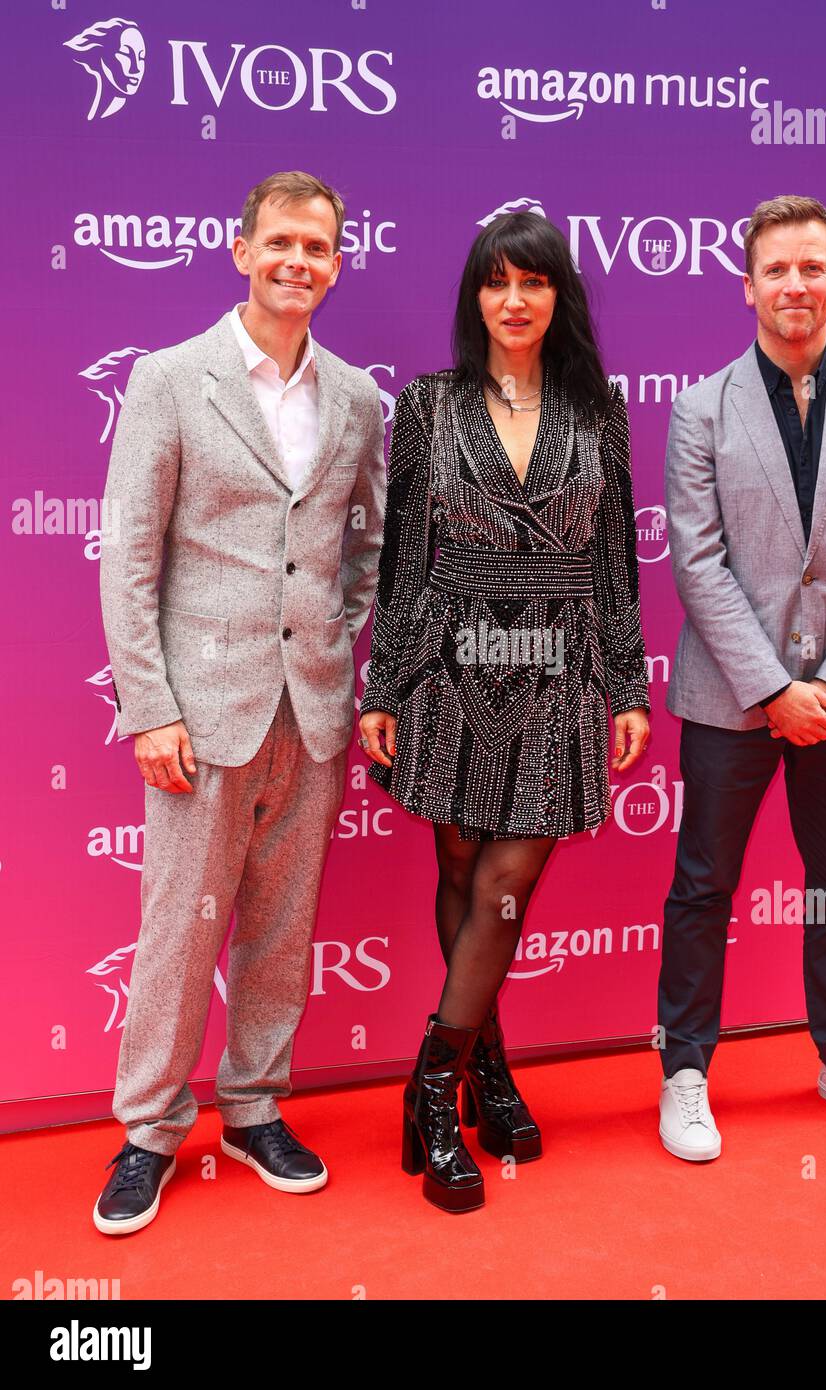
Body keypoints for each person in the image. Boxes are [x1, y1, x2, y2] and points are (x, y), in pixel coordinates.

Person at [94, 170, 385, 1233]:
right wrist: (150, 707)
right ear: (240, 248)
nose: (297, 262)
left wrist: (331, 648)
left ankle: (257, 1105)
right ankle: (149, 1130)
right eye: (280, 243)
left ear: (338, 263)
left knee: (279, 926)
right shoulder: (171, 379)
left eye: (317, 247)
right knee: (178, 928)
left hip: (309, 712)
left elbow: (366, 545)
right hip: (199, 714)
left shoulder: (355, 398)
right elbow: (128, 554)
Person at [359, 211, 651, 1213]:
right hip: (451, 654)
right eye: (497, 283)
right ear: (475, 298)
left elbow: (616, 563)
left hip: (565, 660)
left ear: (560, 297)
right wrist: (383, 687)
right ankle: (488, 1072)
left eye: (534, 283)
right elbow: (402, 562)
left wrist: (628, 685)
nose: (515, 301)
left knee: (511, 871)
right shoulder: (429, 407)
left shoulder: (599, 410)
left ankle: (431, 1090)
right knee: (458, 865)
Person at [657, 194, 826, 1163]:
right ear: (748, 286)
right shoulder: (700, 409)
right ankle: (684, 1067)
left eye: (813, 267)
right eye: (778, 269)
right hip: (733, 696)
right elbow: (698, 562)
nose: (796, 284)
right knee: (703, 885)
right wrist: (775, 689)